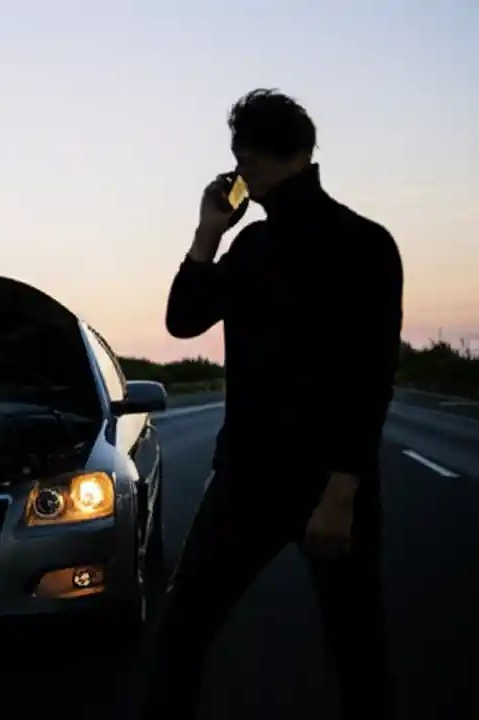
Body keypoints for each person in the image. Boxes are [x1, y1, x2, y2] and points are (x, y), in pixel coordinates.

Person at [141, 89, 403, 719]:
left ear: (250, 158)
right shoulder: (346, 241)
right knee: (356, 652)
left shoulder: (302, 245)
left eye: (240, 157)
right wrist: (210, 231)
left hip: (279, 482)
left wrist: (339, 497)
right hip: (287, 481)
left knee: (184, 636)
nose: (238, 171)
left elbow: (368, 378)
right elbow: (184, 322)